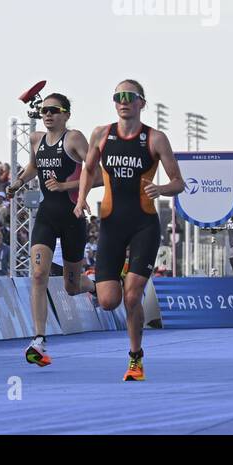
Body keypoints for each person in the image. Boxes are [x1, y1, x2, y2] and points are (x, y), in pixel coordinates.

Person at [74, 80, 184, 381]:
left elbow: (179, 182)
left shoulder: (155, 138)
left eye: (129, 97)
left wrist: (160, 188)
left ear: (141, 103)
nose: (123, 102)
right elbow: (88, 169)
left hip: (143, 224)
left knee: (132, 296)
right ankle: (122, 272)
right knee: (110, 302)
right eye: (118, 97)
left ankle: (135, 359)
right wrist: (82, 197)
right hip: (111, 223)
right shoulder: (102, 134)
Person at [4, 93, 99, 367]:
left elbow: (99, 176)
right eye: (44, 111)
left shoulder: (74, 139)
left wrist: (67, 187)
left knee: (71, 286)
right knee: (38, 275)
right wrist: (18, 182)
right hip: (47, 216)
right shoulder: (36, 140)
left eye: (54, 110)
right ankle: (39, 340)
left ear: (67, 114)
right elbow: (35, 165)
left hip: (72, 217)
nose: (48, 115)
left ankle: (93, 287)